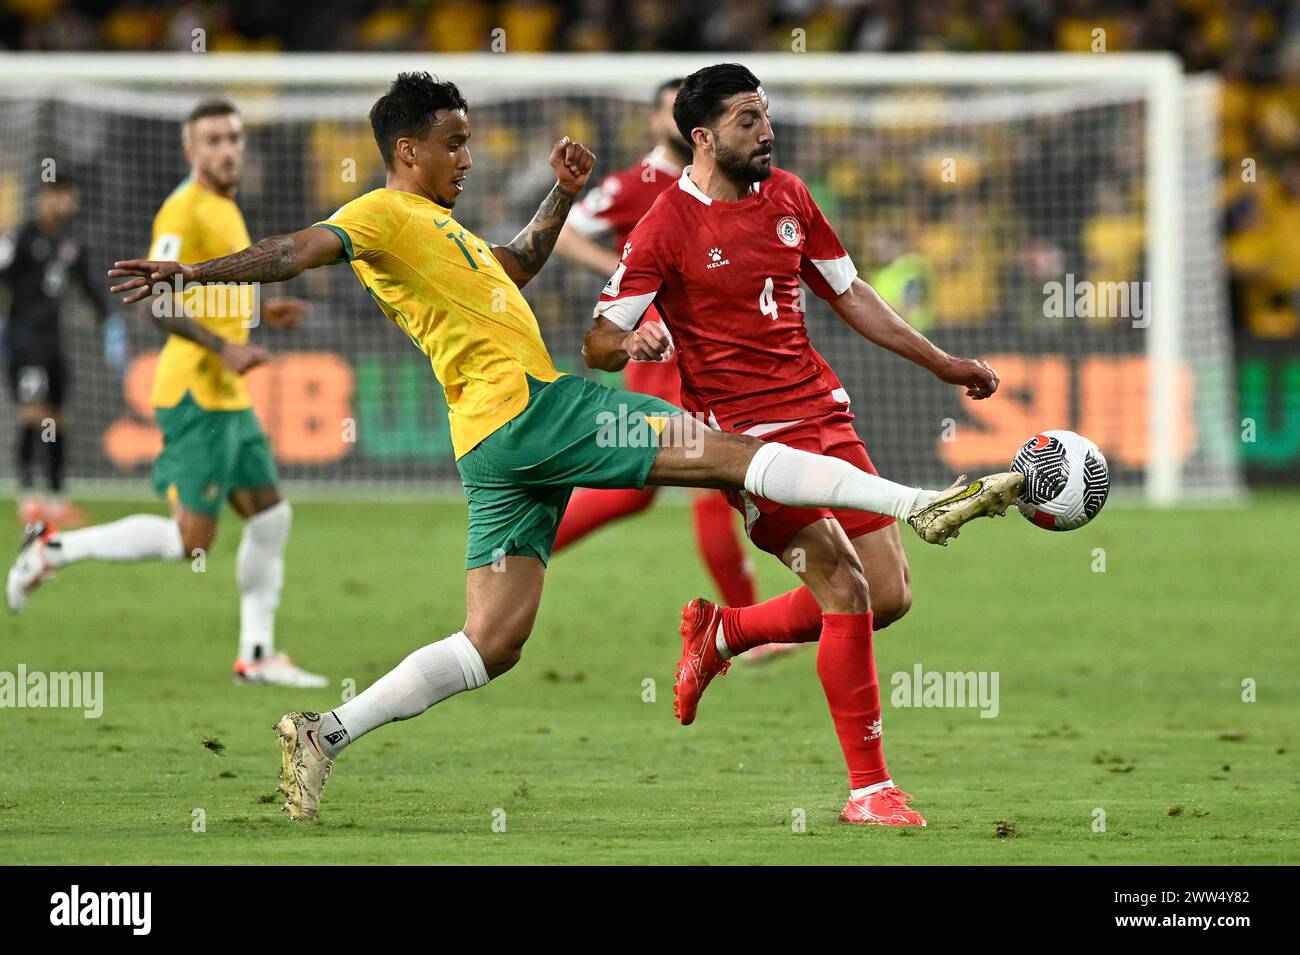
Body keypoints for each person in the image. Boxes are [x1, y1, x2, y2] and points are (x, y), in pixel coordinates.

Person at [100, 72, 1020, 824]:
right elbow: (296, 249)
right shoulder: (379, 214)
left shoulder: (441, 229)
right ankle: (919, 502)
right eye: (454, 143)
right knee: (724, 450)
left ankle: (325, 731)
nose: (467, 158)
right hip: (536, 412)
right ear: (407, 150)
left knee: (492, 641)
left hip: (490, 446)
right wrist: (194, 273)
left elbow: (516, 265)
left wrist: (563, 195)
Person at [585, 63, 1015, 826]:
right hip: (748, 445)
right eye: (748, 120)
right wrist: (631, 341)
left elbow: (849, 291)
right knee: (844, 588)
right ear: (703, 137)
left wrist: (943, 362)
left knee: (890, 595)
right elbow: (597, 340)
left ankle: (727, 629)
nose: (767, 131)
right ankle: (869, 791)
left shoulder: (788, 195)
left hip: (821, 414)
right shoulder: (665, 224)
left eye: (766, 115)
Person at [6, 98, 325, 689]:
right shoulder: (183, 209)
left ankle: (256, 655)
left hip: (227, 396)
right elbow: (157, 302)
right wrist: (224, 347)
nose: (228, 149)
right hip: (195, 393)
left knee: (271, 515)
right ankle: (52, 548)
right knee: (189, 541)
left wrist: (259, 310)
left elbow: (205, 290)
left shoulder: (225, 207)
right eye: (213, 140)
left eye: (234, 137)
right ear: (189, 149)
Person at [551, 78, 768, 639]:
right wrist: (625, 277)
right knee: (712, 473)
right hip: (661, 353)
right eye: (670, 109)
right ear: (654, 122)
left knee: (635, 490)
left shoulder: (719, 181)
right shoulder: (637, 184)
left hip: (702, 348)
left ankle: (518, 546)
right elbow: (566, 233)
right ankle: (748, 629)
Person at [0, 177, 123, 528]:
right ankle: (28, 497)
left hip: (54, 341)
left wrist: (110, 323)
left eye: (69, 196)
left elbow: (89, 287)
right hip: (24, 340)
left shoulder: (72, 241)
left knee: (58, 418)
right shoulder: (21, 239)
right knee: (33, 414)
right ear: (43, 198)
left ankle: (56, 499)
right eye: (57, 196)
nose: (64, 203)